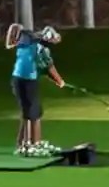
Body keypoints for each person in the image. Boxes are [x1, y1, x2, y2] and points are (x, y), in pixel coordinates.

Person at [5, 23, 66, 156]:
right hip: (27, 81)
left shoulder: (26, 41)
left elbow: (41, 67)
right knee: (35, 113)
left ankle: (23, 145)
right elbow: (49, 67)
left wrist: (54, 79)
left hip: (17, 79)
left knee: (27, 112)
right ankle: (33, 144)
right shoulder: (41, 48)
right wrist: (60, 81)